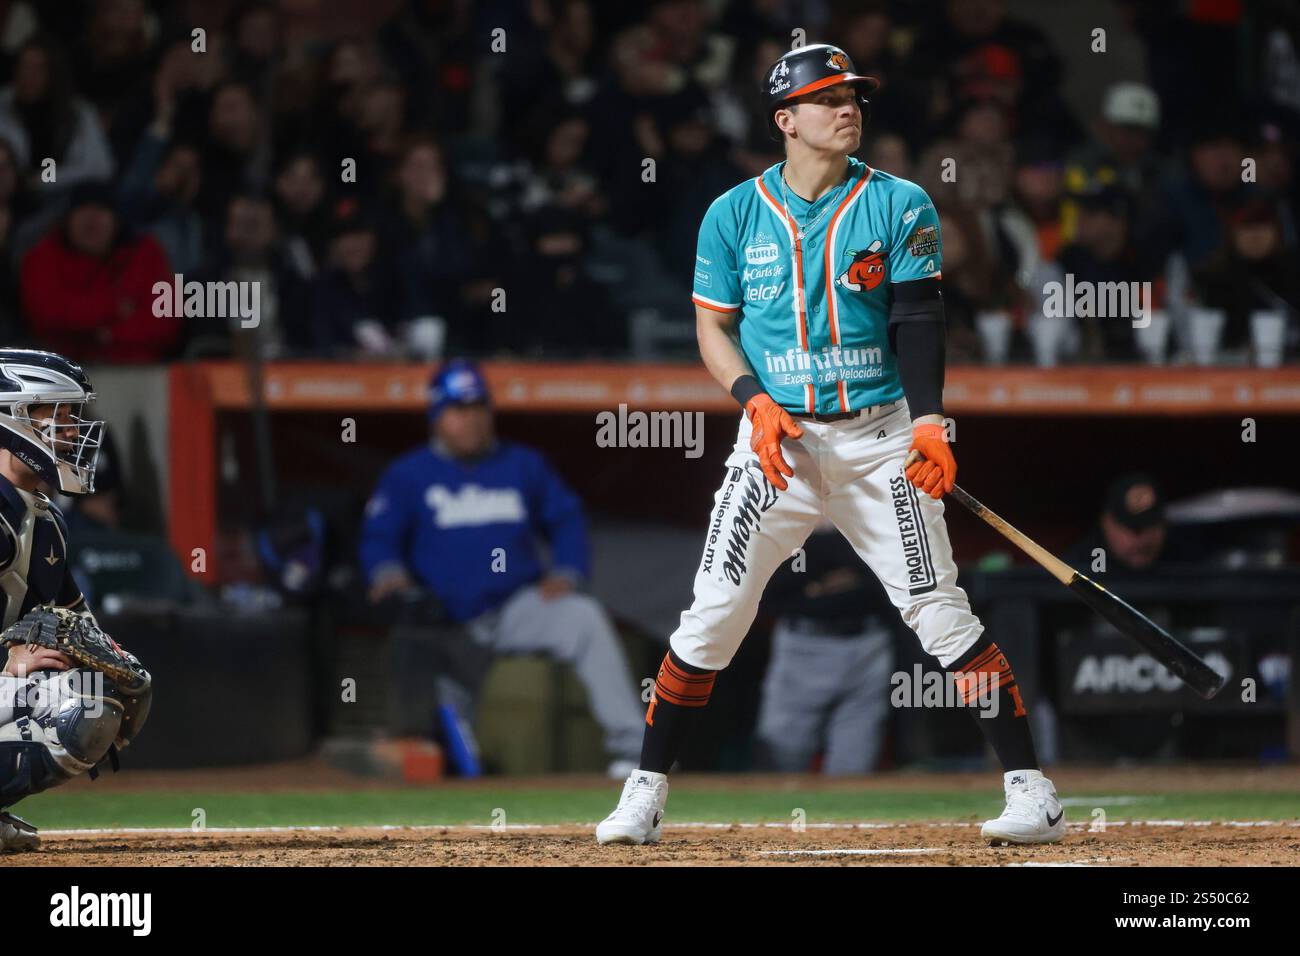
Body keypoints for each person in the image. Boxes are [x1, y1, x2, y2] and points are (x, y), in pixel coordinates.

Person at [596, 43, 1065, 847]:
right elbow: (712, 328)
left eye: (852, 96)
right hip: (777, 445)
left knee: (937, 610)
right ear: (786, 120)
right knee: (712, 616)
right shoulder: (732, 213)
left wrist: (928, 423)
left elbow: (919, 317)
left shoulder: (903, 202)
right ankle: (643, 793)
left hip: (881, 438)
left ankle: (1034, 792)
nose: (847, 108)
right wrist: (753, 402)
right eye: (826, 98)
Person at [358, 359, 643, 776]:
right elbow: (379, 535)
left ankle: (635, 750)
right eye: (458, 410)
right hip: (446, 621)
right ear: (437, 417)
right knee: (454, 752)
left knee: (583, 618)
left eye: (478, 408)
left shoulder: (522, 464)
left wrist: (567, 571)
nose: (471, 420)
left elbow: (566, 519)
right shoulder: (410, 474)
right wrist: (387, 573)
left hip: (517, 607)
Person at [0, 348, 151, 851]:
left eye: (73, 416)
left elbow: (75, 622)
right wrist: (7, 658)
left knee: (90, 700)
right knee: (77, 708)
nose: (71, 431)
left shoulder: (46, 522)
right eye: (58, 415)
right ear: (14, 420)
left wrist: (115, 664)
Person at [755, 521, 896, 775]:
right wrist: (841, 575)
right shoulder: (782, 518)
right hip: (803, 644)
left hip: (868, 643)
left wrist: (817, 586)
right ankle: (782, 815)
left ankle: (842, 815)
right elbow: (768, 594)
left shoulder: (877, 517)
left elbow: (890, 584)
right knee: (782, 756)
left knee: (854, 762)